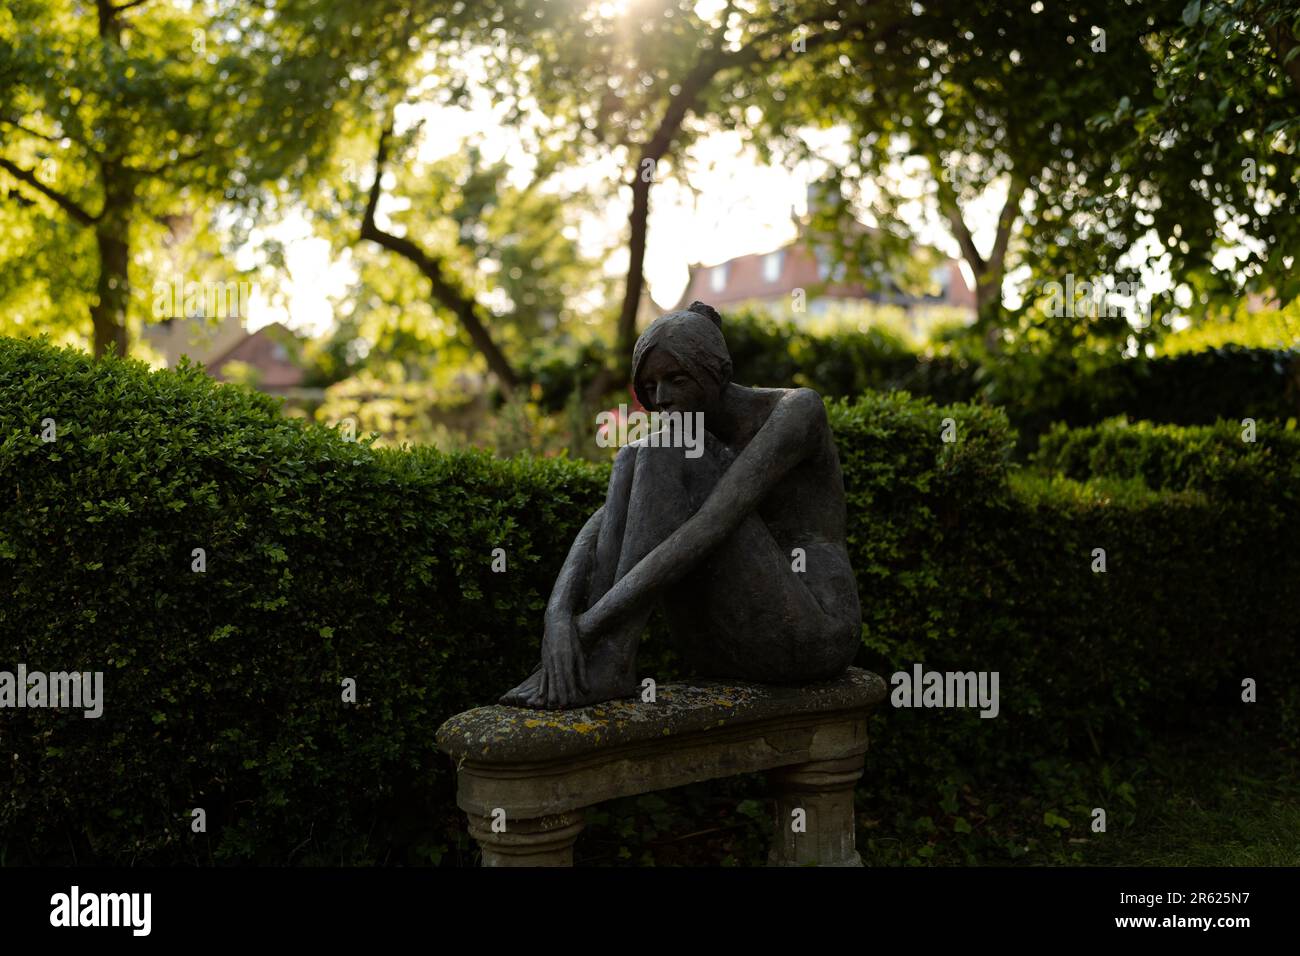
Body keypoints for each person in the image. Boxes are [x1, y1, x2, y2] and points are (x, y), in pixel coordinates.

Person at [500, 301, 861, 709]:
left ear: (719, 373)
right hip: (722, 643)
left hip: (810, 632)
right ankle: (606, 659)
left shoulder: (796, 410)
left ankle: (611, 655)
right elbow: (602, 522)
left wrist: (585, 629)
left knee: (661, 449)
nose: (662, 398)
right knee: (632, 455)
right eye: (651, 387)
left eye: (675, 380)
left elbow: (711, 524)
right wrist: (557, 617)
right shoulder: (682, 438)